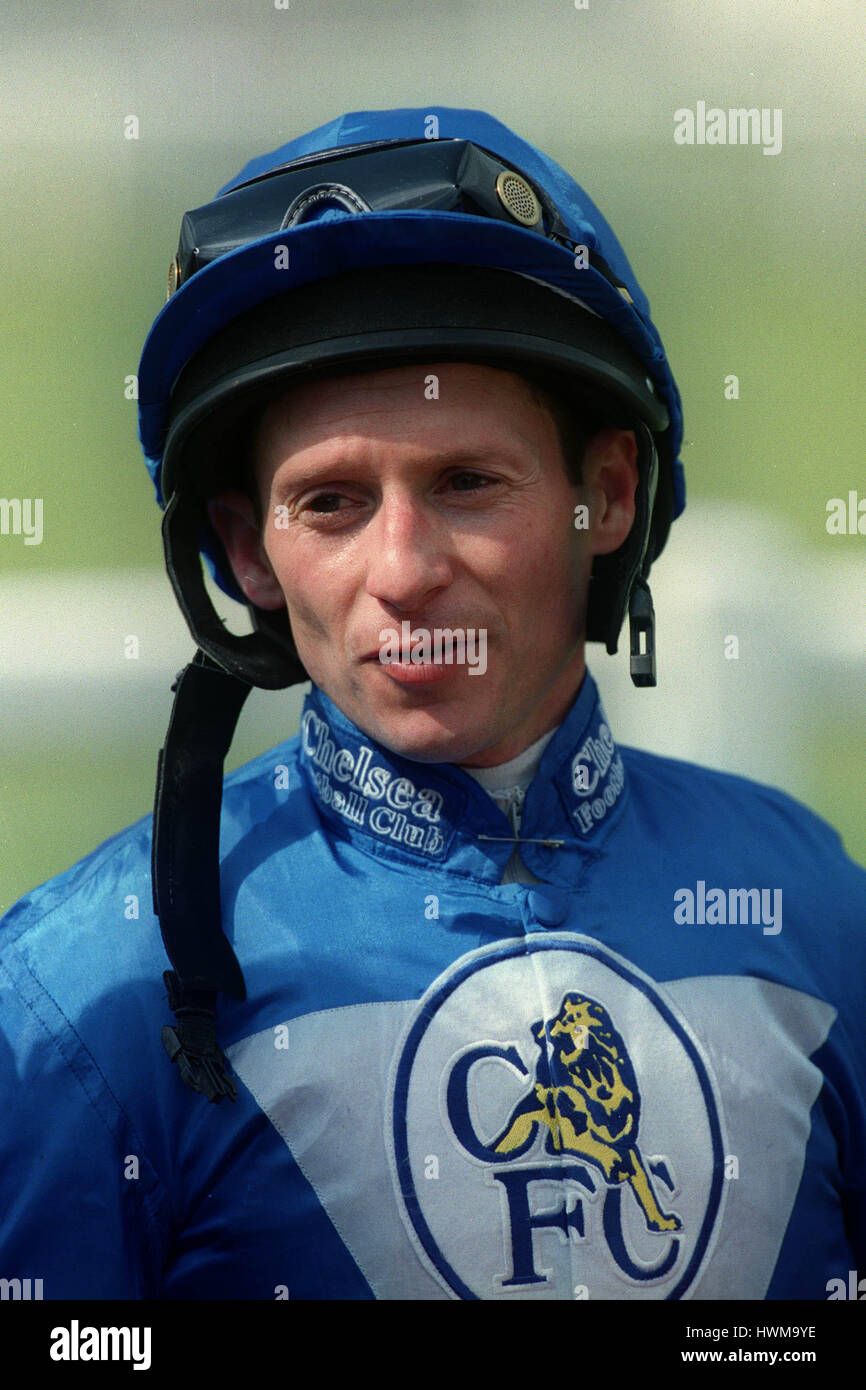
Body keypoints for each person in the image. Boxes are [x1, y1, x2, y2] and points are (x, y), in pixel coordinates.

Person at [0, 106, 863, 1303]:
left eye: (465, 483)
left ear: (603, 495)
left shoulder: (818, 913)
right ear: (246, 551)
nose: (403, 571)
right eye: (332, 503)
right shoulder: (74, 993)